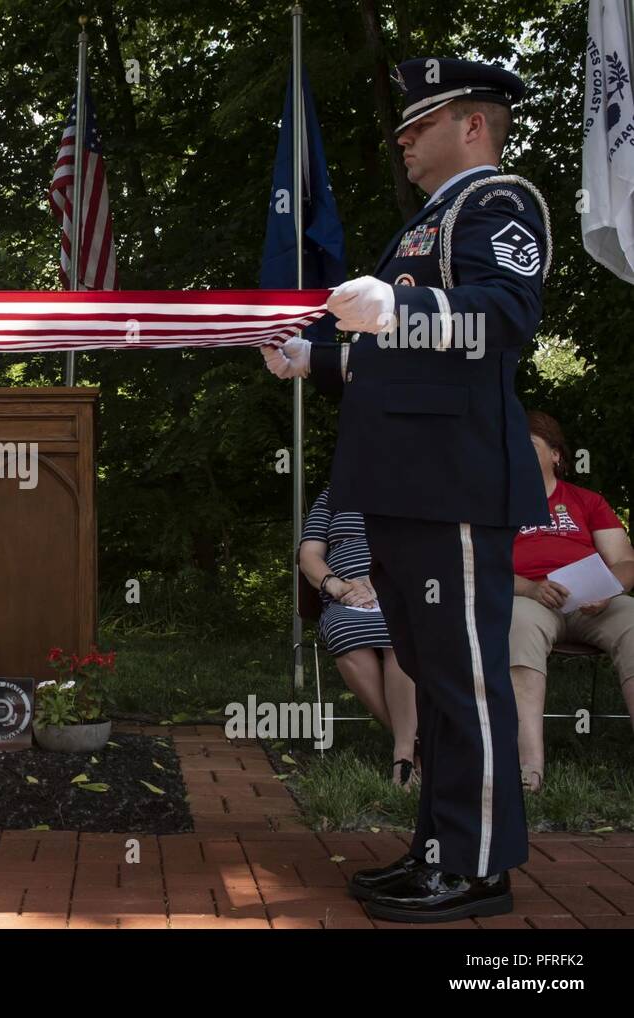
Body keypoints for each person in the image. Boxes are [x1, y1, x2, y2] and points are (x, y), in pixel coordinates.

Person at [262, 58, 550, 922]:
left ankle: (479, 865)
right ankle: (438, 846)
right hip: (404, 483)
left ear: (472, 126)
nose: (404, 140)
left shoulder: (499, 202)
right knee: (430, 673)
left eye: (420, 124)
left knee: (464, 676)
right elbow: (398, 355)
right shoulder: (423, 227)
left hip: (454, 481)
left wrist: (397, 310)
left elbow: (507, 316)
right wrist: (316, 354)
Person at [509, 412, 634, 792]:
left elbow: (626, 561)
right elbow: (480, 568)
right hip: (528, 597)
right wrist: (530, 588)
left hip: (592, 600)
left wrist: (609, 588)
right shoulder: (495, 505)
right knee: (519, 624)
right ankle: (529, 768)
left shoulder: (586, 501)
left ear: (556, 456)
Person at [299, 486, 419, 788]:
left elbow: (430, 551)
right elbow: (309, 555)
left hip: (401, 591)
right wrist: (337, 586)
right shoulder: (333, 495)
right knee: (345, 632)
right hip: (345, 596)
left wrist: (389, 582)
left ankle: (403, 754)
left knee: (399, 636)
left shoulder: (417, 491)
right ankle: (417, 745)